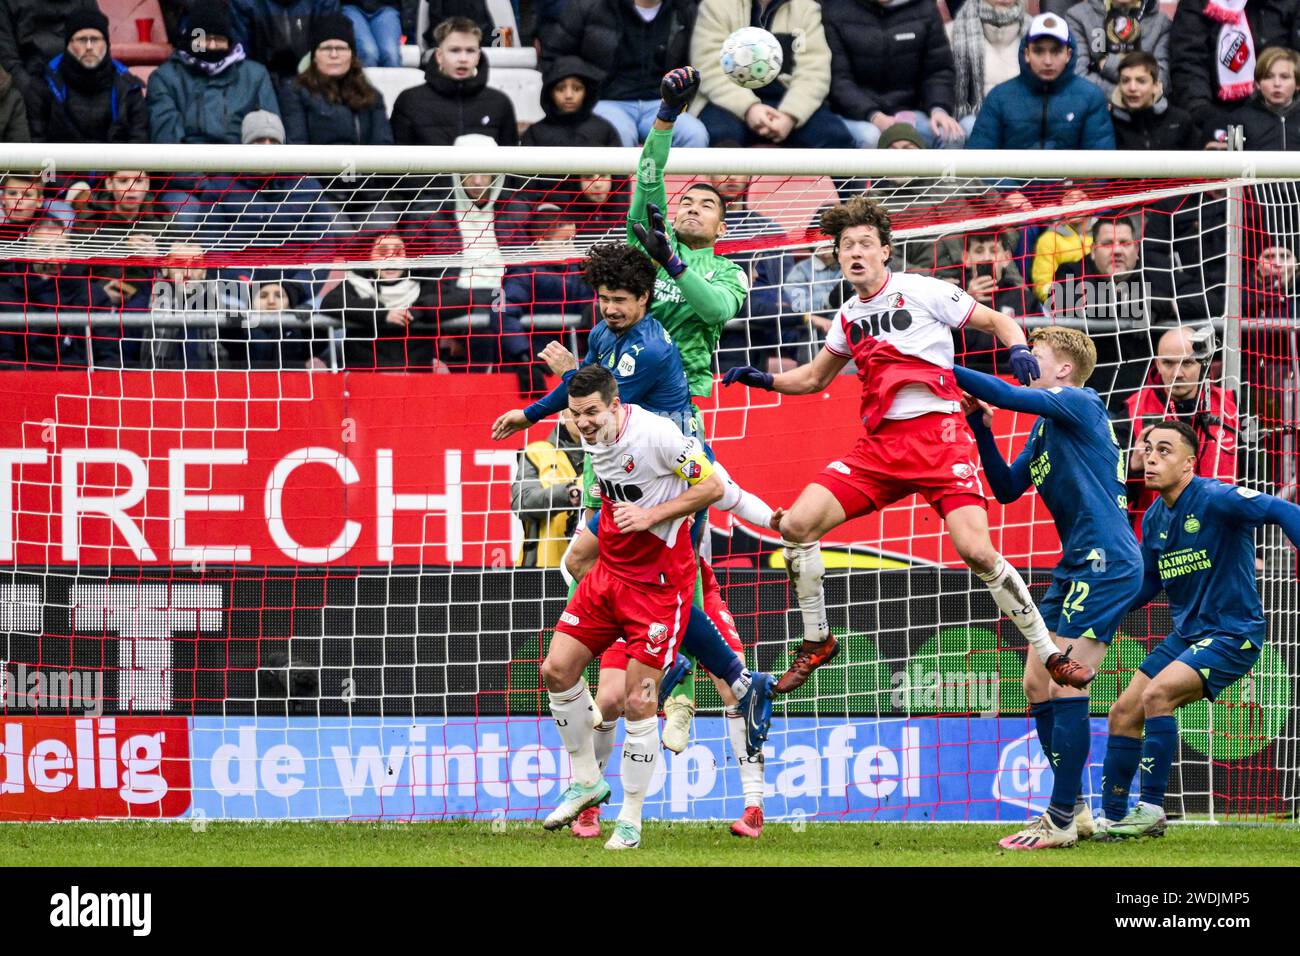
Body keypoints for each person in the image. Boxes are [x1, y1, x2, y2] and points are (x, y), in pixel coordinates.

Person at [722, 197, 1096, 694]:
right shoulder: (848, 316)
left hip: (941, 439)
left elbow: (999, 321)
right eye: (846, 246)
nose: (856, 253)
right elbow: (815, 378)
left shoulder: (921, 291)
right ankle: (817, 640)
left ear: (885, 252)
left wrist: (1018, 347)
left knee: (977, 552)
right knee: (795, 525)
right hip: (881, 448)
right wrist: (763, 381)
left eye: (865, 244)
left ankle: (1050, 654)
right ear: (836, 255)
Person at [956, 327, 1142, 848]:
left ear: (1061, 369)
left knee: (1066, 682)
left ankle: (1059, 819)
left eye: (1033, 355)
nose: (1024, 360)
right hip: (1076, 563)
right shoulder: (1046, 428)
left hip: (1106, 560)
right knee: (1037, 683)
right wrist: (980, 426)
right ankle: (1076, 810)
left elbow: (1009, 393)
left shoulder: (1080, 401)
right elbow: (1008, 489)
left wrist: (932, 364)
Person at [530, 364, 721, 850]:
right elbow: (606, 503)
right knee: (556, 669)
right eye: (577, 415)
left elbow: (712, 487)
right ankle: (586, 781)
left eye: (592, 412)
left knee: (638, 702)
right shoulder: (593, 439)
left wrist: (652, 515)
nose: (585, 422)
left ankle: (631, 821)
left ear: (615, 406)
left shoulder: (658, 434)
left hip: (658, 588)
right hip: (608, 576)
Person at [1097, 420, 1300, 838]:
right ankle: (1112, 818)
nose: (1151, 457)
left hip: (1232, 632)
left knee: (1157, 695)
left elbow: (1285, 509)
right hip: (1188, 635)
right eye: (1147, 448)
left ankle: (1152, 810)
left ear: (1190, 463)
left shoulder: (1216, 497)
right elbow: (1150, 581)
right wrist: (1105, 615)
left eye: (1165, 450)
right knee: (1122, 713)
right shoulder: (1154, 518)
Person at [276, 14, 397, 230]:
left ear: (352, 54)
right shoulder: (295, 92)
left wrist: (362, 179)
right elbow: (297, 145)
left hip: (367, 192)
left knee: (382, 230)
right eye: (326, 48)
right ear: (314, 54)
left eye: (341, 48)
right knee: (340, 233)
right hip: (322, 192)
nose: (334, 54)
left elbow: (383, 145)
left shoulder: (371, 95)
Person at [540, 0, 708, 148]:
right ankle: (630, 186)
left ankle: (669, 186)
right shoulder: (590, 6)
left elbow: (698, 63)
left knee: (695, 135)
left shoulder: (684, 9)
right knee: (618, 134)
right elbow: (555, 55)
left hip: (662, 101)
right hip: (606, 100)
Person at [689, 0, 855, 149]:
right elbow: (708, 66)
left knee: (835, 137)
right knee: (720, 136)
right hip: (727, 102)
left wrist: (790, 115)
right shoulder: (716, 5)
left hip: (788, 102)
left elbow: (814, 72)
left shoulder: (806, 8)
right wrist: (749, 108)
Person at [1123, 324, 1238, 523]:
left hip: (1220, 535)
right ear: (1157, 364)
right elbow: (1112, 497)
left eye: (1187, 363)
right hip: (1157, 539)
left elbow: (1251, 481)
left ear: (1202, 363)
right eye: (1168, 363)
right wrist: (1132, 468)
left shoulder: (1230, 407)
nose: (1178, 373)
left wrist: (1257, 547)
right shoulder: (1131, 411)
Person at [823, 0, 966, 149]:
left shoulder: (925, 8)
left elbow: (938, 71)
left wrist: (938, 109)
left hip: (909, 113)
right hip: (856, 116)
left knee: (951, 134)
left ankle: (932, 173)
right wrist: (874, 116)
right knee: (870, 137)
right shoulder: (835, 9)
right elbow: (839, 81)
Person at [318, 232, 472, 369]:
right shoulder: (356, 283)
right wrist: (382, 314)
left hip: (417, 380)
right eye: (382, 252)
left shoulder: (422, 283)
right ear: (369, 256)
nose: (390, 259)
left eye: (398, 252)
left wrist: (418, 311)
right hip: (366, 380)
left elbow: (465, 300)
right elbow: (330, 302)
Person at [1052, 216, 1160, 406]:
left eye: (1125, 243)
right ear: (1093, 251)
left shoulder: (1154, 272)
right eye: (1107, 244)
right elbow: (1070, 307)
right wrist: (1138, 304)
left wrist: (1158, 304)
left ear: (1136, 250)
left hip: (1143, 396)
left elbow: (1204, 301)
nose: (1116, 250)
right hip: (1086, 393)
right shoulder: (1070, 271)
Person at [967, 12, 1115, 150]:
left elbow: (1100, 165)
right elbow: (978, 159)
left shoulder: (1091, 97)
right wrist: (1007, 180)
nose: (1048, 61)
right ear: (1027, 54)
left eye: (1056, 51)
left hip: (1071, 179)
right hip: (1012, 178)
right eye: (1038, 51)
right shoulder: (999, 97)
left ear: (1068, 55)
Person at [1169, 0, 1300, 148]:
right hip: (1217, 115)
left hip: (1279, 114)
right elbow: (1188, 62)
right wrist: (1210, 121)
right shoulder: (1197, 4)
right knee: (1231, 166)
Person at [147, 0, 280, 145]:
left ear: (229, 42)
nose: (211, 45)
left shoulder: (255, 76)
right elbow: (167, 140)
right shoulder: (164, 78)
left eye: (218, 39)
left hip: (241, 164)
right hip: (186, 163)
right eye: (204, 40)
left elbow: (269, 135)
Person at [390, 16, 517, 146]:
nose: (463, 58)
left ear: (478, 56)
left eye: (470, 51)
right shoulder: (410, 101)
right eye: (455, 50)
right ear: (439, 56)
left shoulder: (500, 103)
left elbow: (513, 161)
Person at [27, 8, 148, 144]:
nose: (89, 47)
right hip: (59, 164)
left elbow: (139, 145)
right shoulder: (44, 85)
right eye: (82, 40)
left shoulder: (128, 88)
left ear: (107, 44)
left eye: (95, 39)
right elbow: (35, 144)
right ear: (68, 45)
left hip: (115, 164)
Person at [947, 0, 1031, 137]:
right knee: (968, 126)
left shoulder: (1036, 34)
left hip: (1025, 123)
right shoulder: (952, 33)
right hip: (974, 125)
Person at [512, 410, 585, 568]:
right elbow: (522, 503)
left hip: (593, 571)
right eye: (575, 412)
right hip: (541, 570)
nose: (583, 419)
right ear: (562, 413)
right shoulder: (537, 452)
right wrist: (570, 494)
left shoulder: (610, 457)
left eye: (591, 411)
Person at [950, 230, 1031, 373]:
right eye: (979, 251)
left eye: (993, 250)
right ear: (966, 258)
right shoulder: (950, 293)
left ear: (1006, 258)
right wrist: (966, 300)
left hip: (1010, 374)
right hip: (963, 374)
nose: (986, 257)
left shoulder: (1024, 297)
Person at [1065, 0, 1171, 97]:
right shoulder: (1078, 16)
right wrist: (1128, 95)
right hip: (1096, 108)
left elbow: (1162, 83)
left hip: (1145, 113)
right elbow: (1077, 76)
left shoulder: (1161, 22)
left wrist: (1109, 64)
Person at [1109, 50, 1202, 150]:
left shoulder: (1180, 121)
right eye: (1125, 81)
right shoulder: (1109, 123)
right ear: (1119, 85)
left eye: (1141, 81)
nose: (1132, 88)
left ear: (1156, 86)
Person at [0, 0, 92, 101]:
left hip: (78, 79)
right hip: (31, 83)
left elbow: (96, 38)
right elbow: (8, 58)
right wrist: (28, 89)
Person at [521, 56, 621, 148]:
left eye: (577, 89)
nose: (569, 95)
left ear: (587, 92)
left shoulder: (604, 130)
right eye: (560, 89)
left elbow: (620, 165)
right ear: (550, 93)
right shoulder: (535, 134)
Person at [229, 0, 342, 81]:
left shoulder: (323, 2)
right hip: (264, 81)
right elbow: (243, 59)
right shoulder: (244, 3)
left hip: (312, 79)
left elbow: (329, 49)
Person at [1238, 46, 1300, 150]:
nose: (1277, 84)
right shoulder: (1239, 120)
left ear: (1298, 84)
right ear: (1257, 83)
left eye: (1284, 77)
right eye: (1268, 77)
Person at [341, 0, 403, 67]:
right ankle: (363, 77)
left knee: (391, 55)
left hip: (387, 7)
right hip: (351, 6)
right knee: (368, 53)